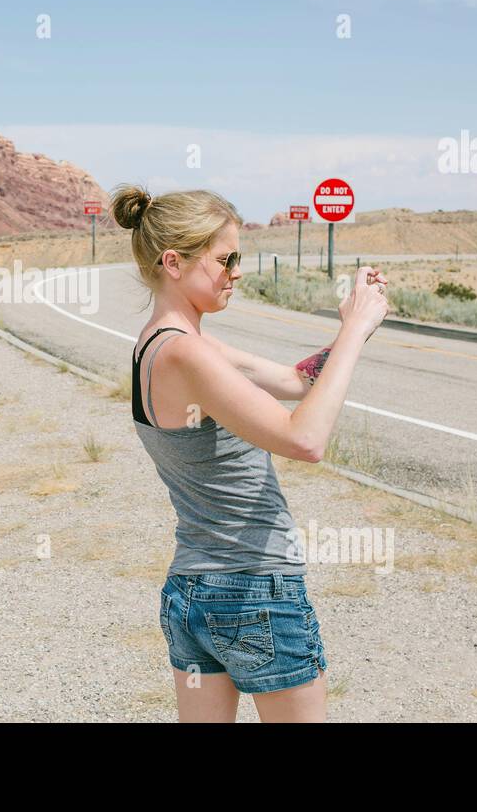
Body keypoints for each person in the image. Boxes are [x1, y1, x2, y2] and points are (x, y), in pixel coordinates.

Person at [110, 184, 389, 722]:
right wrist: (352, 332)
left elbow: (293, 380)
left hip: (192, 592)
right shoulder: (188, 353)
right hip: (255, 589)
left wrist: (359, 323)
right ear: (173, 261)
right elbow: (304, 440)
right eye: (225, 259)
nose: (236, 271)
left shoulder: (160, 343)